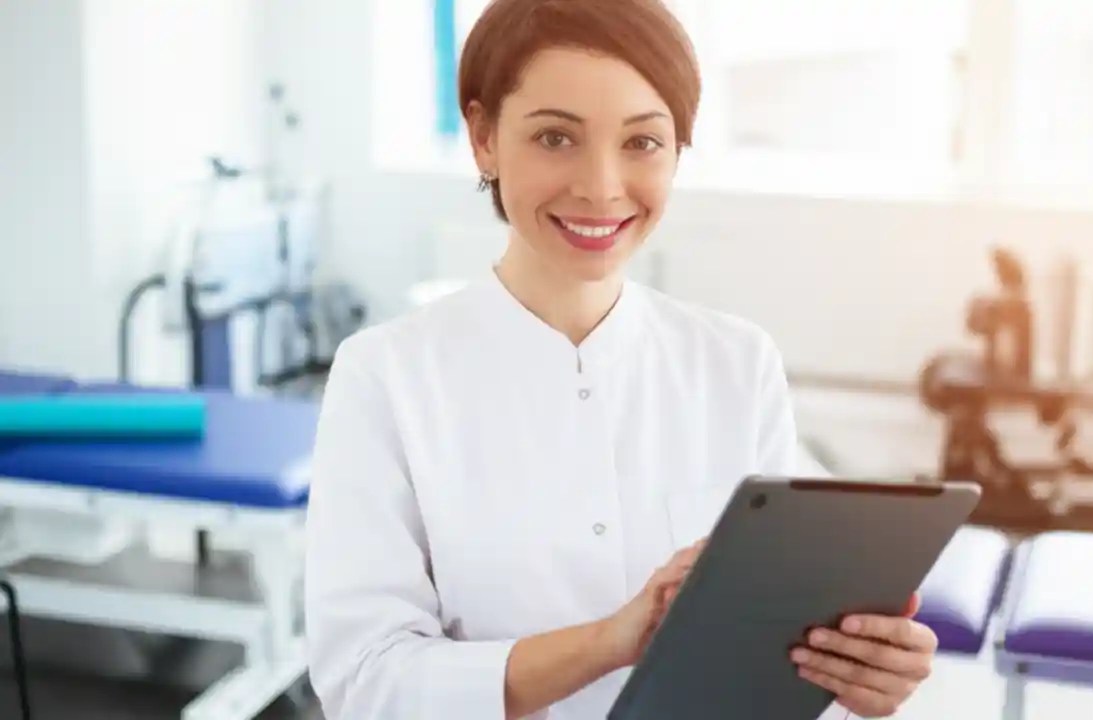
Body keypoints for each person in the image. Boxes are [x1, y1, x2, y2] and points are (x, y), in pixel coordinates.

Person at [303, 0, 938, 718]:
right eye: (554, 137)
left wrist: (860, 671)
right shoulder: (386, 377)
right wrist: (611, 639)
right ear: (483, 138)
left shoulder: (736, 364)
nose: (602, 187)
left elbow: (779, 633)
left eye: (642, 143)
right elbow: (366, 683)